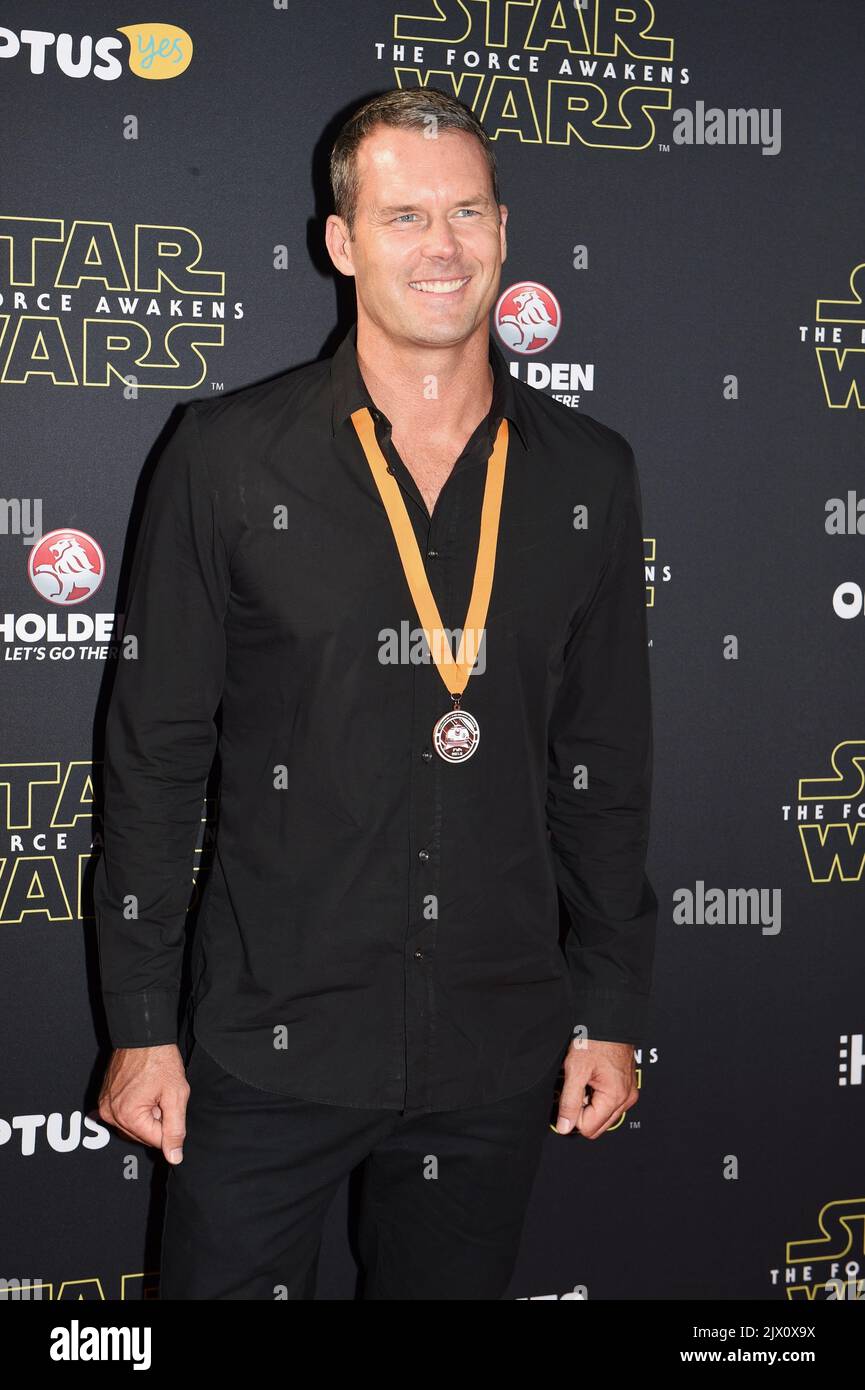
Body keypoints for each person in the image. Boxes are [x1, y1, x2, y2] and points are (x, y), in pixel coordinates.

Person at [94, 86, 658, 1300]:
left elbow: (604, 763)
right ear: (341, 243)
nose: (442, 246)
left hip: (495, 1043)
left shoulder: (586, 474)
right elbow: (155, 752)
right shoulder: (229, 457)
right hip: (270, 1040)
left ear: (504, 231)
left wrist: (609, 1002)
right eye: (404, 215)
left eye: (467, 212)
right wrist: (142, 1021)